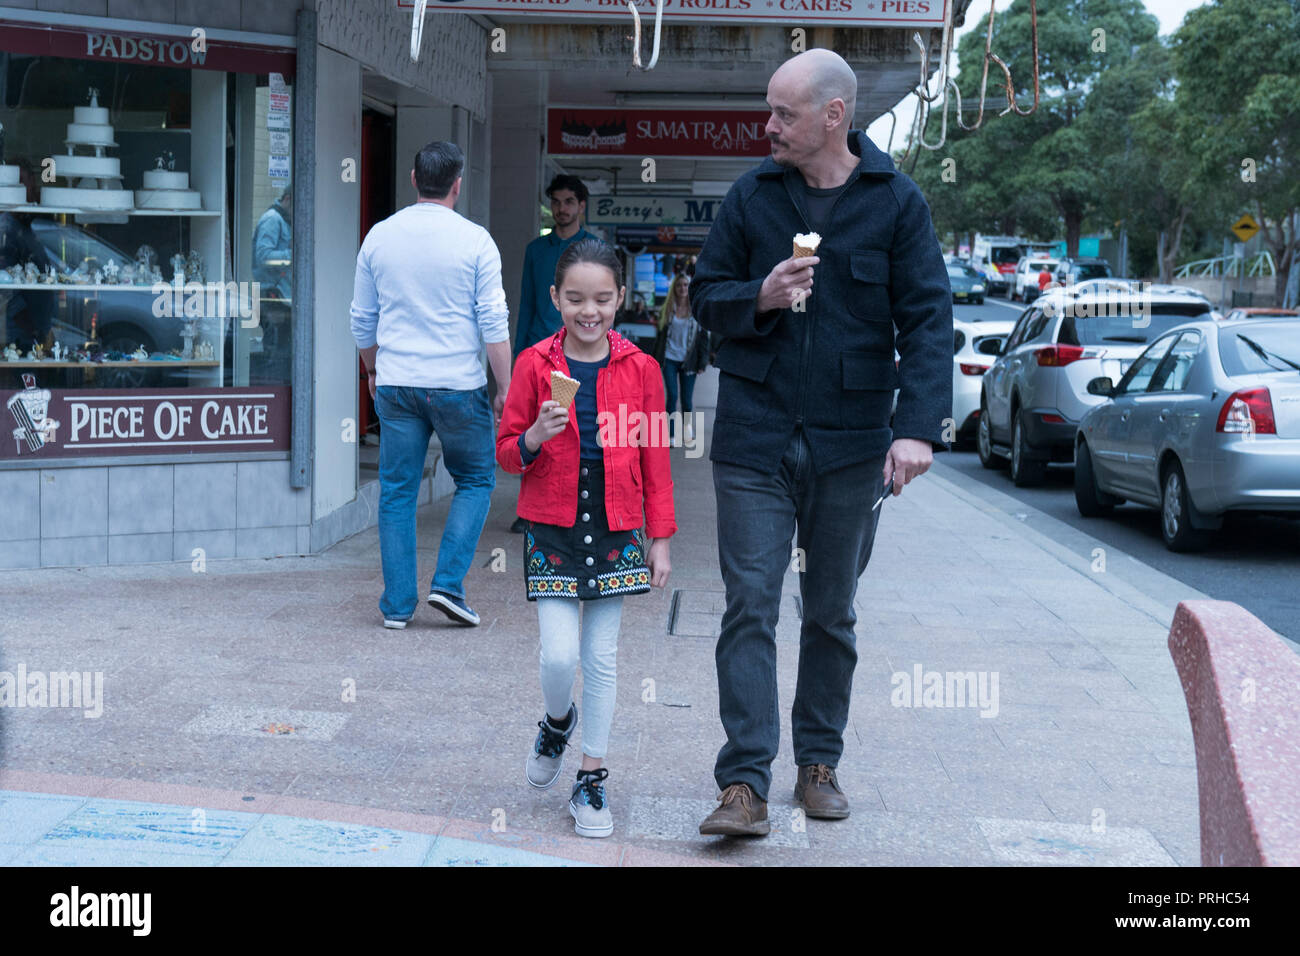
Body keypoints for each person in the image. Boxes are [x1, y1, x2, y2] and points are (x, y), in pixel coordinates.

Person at [691, 49, 952, 836]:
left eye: (784, 114)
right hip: (754, 439)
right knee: (749, 607)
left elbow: (929, 320)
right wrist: (758, 296)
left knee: (831, 613)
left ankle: (818, 764)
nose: (767, 126)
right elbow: (704, 296)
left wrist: (916, 429)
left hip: (850, 445)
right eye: (769, 111)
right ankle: (742, 784)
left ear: (833, 116)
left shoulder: (896, 203)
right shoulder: (751, 196)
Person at [496, 237, 676, 839]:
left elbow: (656, 455)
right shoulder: (532, 365)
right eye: (575, 298)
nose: (589, 311)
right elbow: (505, 455)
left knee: (601, 659)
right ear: (555, 298)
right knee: (558, 655)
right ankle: (556, 722)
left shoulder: (643, 369)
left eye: (602, 298)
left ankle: (592, 775)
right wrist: (534, 438)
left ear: (621, 298)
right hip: (551, 528)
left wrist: (662, 537)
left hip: (618, 527)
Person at [349, 141, 511, 630]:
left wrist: (374, 369)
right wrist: (503, 386)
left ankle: (397, 607)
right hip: (458, 386)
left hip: (397, 385)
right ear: (457, 185)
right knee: (477, 479)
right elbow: (493, 322)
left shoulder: (380, 236)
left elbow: (362, 319)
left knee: (397, 492)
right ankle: (447, 586)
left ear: (414, 179)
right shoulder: (477, 241)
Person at [509, 174, 596, 533]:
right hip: (539, 353)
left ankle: (576, 502)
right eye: (556, 202)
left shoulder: (593, 247)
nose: (562, 209)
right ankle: (531, 508)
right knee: (537, 427)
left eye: (568, 202)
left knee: (577, 428)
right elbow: (527, 303)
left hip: (578, 352)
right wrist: (518, 357)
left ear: (581, 206)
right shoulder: (535, 250)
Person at [652, 267, 709, 445]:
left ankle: (687, 431)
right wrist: (655, 359)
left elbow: (703, 339)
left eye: (685, 285)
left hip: (689, 361)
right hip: (669, 358)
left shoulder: (696, 310)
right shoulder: (667, 310)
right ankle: (670, 435)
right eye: (679, 286)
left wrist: (702, 362)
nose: (683, 288)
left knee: (686, 400)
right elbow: (660, 338)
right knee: (672, 396)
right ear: (674, 289)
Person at [253, 183, 292, 300]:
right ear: (287, 199)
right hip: (273, 292)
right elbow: (263, 256)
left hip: (282, 292)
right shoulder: (272, 219)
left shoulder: (284, 220)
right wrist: (292, 254)